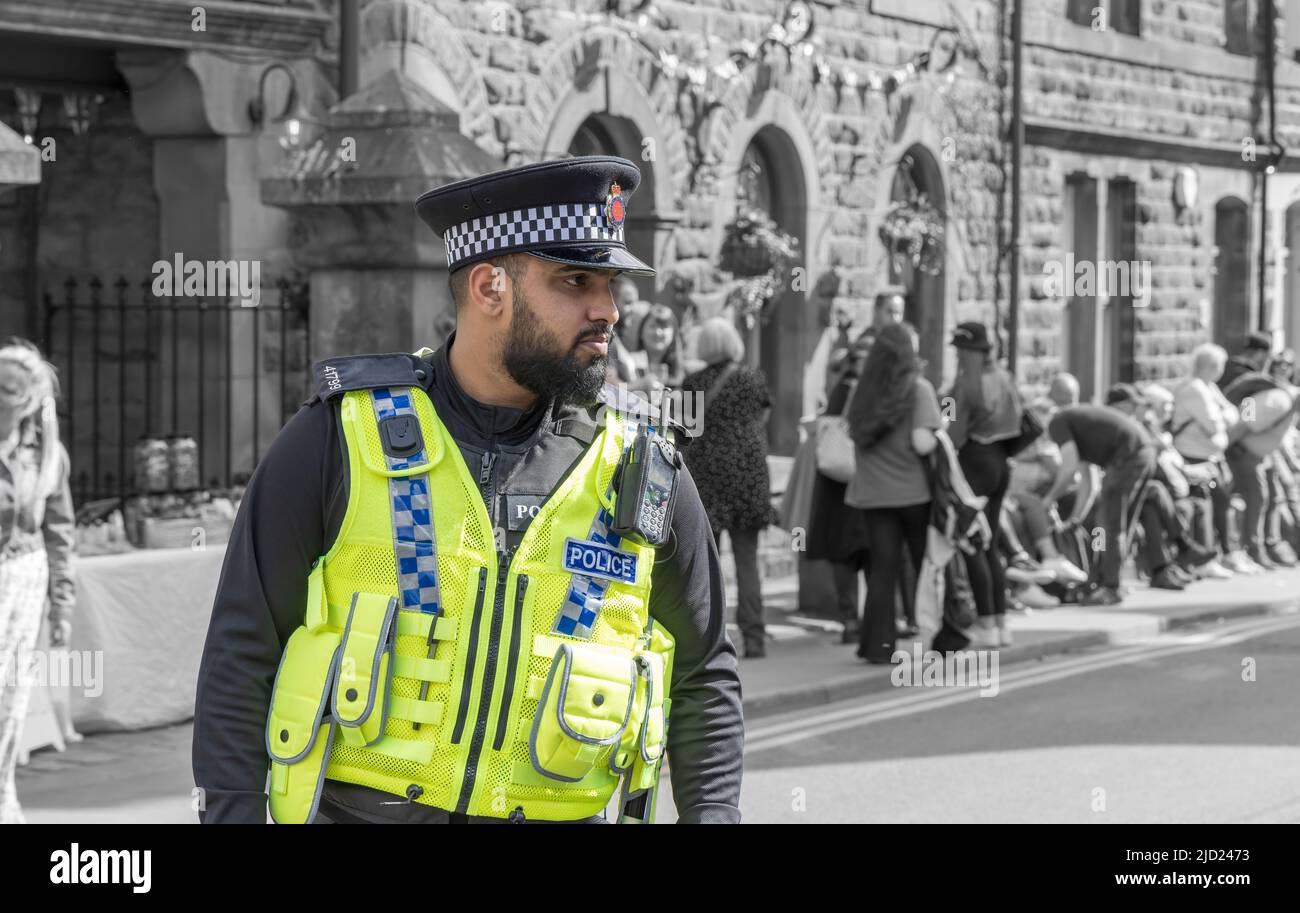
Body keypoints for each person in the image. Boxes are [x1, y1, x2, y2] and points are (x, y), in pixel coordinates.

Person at [192, 156, 744, 824]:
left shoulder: (644, 463)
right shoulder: (338, 437)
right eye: (576, 280)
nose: (608, 309)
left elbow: (704, 669)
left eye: (612, 284)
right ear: (488, 287)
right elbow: (242, 649)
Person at [0, 339, 76, 824]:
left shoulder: (46, 454)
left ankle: (4, 797)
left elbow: (60, 531)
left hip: (22, 578)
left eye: (11, 389)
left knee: (10, 697)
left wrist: (62, 607)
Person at [679, 318, 778, 658]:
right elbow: (762, 419)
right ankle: (755, 638)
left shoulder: (692, 382)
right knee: (748, 561)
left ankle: (711, 640)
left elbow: (683, 432)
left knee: (709, 563)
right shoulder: (752, 378)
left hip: (706, 479)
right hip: (748, 477)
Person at [844, 321, 942, 662]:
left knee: (882, 570)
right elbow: (922, 441)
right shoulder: (919, 390)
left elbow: (851, 433)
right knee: (927, 566)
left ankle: (877, 645)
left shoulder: (862, 393)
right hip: (914, 495)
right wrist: (941, 434)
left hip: (873, 496)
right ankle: (942, 636)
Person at [944, 322, 1022, 646]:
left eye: (960, 349)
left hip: (975, 461)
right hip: (1001, 463)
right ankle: (1001, 624)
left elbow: (953, 432)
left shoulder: (966, 383)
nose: (958, 355)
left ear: (968, 350)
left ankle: (986, 625)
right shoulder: (1005, 377)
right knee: (990, 545)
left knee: (972, 542)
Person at [1042, 402, 1156, 606]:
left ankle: (1109, 586)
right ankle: (1108, 580)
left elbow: (1069, 469)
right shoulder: (1078, 424)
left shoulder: (1057, 422)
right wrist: (1076, 518)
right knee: (1114, 525)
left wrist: (1049, 499)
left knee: (1108, 527)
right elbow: (1090, 483)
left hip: (1127, 457)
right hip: (1143, 452)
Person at [1171, 343, 1243, 577]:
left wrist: (1223, 420)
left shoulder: (1208, 387)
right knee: (1208, 505)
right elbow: (1215, 424)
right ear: (1213, 366)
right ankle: (1209, 558)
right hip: (1193, 456)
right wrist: (1223, 422)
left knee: (1219, 505)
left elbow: (1233, 414)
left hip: (1210, 455)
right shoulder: (1195, 389)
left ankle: (1224, 554)